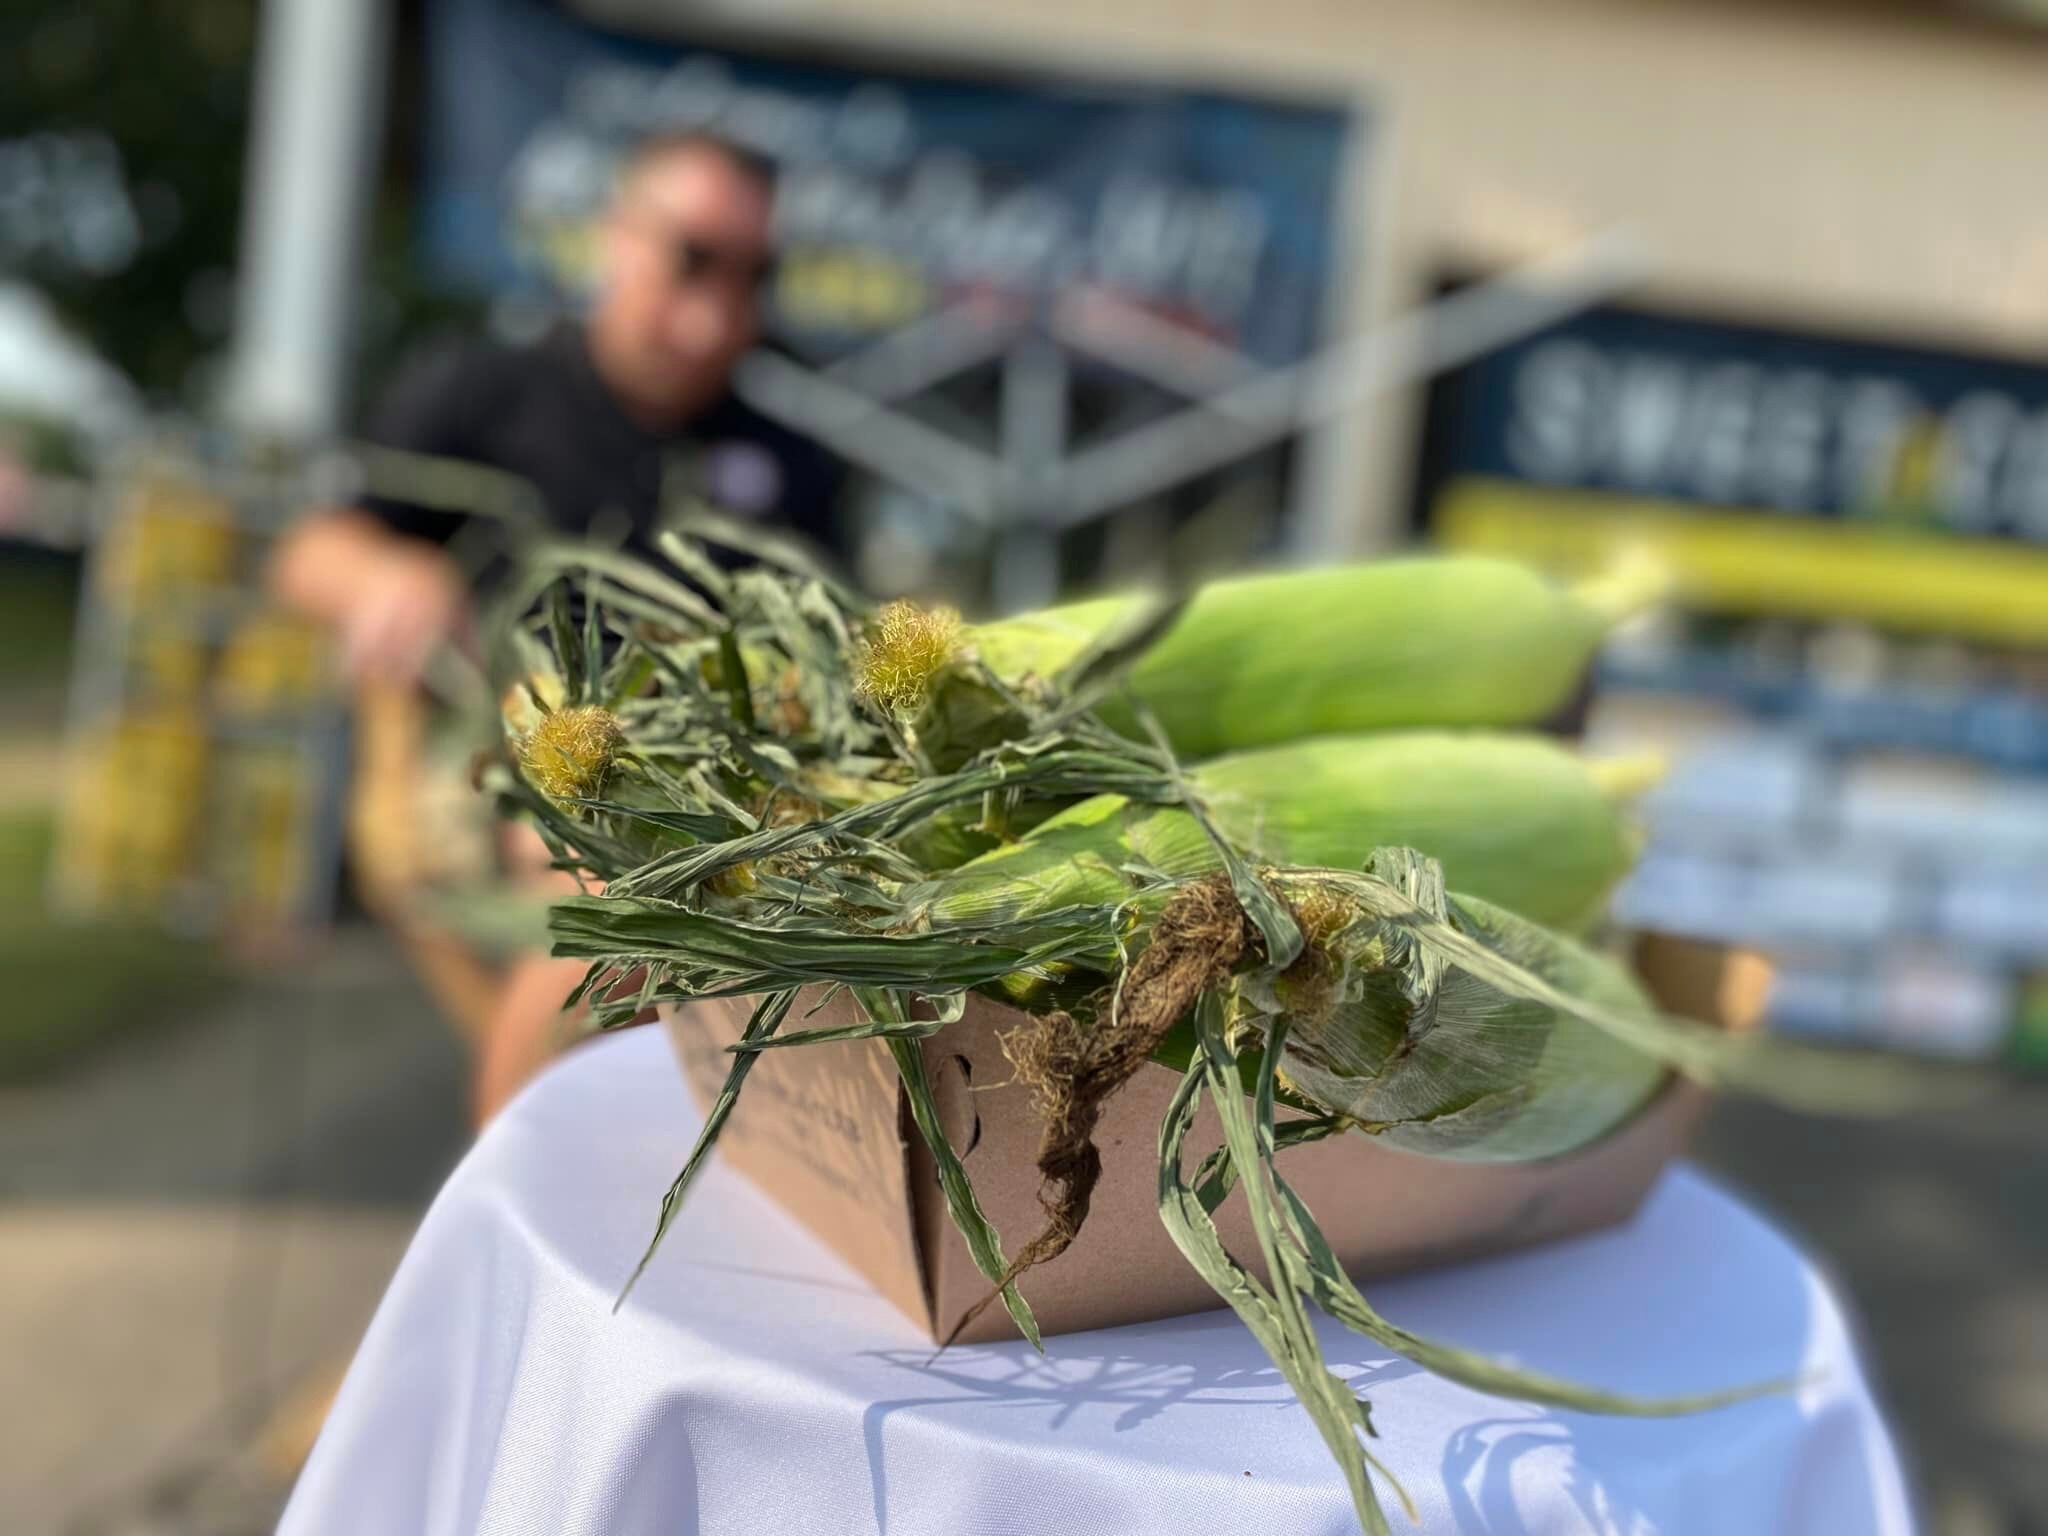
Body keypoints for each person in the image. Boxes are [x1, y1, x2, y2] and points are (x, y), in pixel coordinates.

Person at [273, 131, 843, 1123]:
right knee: (602, 908)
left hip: (701, 802)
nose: (717, 310)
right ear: (615, 237)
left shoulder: (790, 458)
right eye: (691, 259)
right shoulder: (485, 391)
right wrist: (389, 573)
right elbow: (310, 551)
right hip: (490, 783)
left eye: (752, 275)